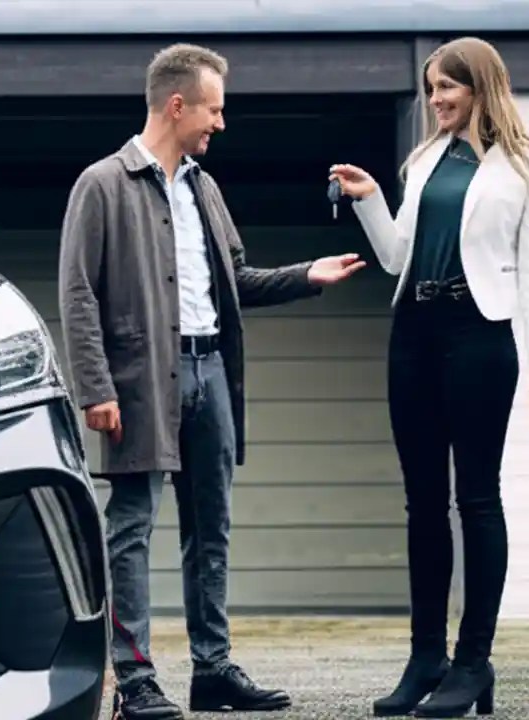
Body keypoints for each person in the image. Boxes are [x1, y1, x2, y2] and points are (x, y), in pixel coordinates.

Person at [58, 43, 365, 720]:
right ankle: (134, 682)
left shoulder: (204, 188)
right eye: (214, 109)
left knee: (212, 527)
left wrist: (304, 276)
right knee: (132, 526)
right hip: (140, 383)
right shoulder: (102, 184)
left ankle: (213, 669)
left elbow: (236, 282)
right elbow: (78, 294)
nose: (220, 123)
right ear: (177, 105)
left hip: (210, 372)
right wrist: (95, 387)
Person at [328, 36, 529, 718]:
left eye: (446, 89)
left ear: (481, 87)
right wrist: (371, 198)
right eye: (430, 89)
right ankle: (425, 656)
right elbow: (399, 257)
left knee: (477, 499)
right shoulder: (425, 158)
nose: (436, 101)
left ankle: (473, 662)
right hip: (415, 335)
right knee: (423, 502)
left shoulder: (528, 165)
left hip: (481, 337)